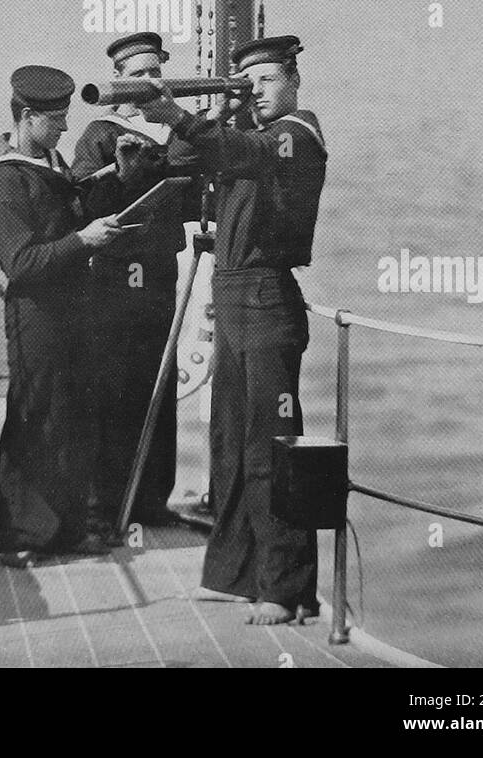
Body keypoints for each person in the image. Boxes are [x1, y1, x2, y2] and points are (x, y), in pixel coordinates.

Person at [135, 35, 327, 625]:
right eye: (250, 81)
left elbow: (247, 155)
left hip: (268, 296)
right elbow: (182, 163)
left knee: (272, 446)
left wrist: (178, 114)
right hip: (233, 295)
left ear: (292, 81)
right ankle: (234, 573)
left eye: (266, 80)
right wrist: (210, 114)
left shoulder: (297, 133)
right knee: (230, 445)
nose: (258, 91)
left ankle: (285, 587)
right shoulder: (247, 134)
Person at [0, 65, 122, 567]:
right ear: (28, 117)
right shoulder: (4, 182)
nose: (64, 128)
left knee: (75, 417)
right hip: (36, 316)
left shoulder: (52, 166)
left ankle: (66, 528)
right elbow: (21, 262)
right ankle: (19, 534)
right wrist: (84, 240)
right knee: (34, 418)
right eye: (56, 119)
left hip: (75, 310)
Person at [72, 31, 196, 534]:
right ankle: (104, 505)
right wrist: (120, 178)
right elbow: (82, 210)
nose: (149, 82)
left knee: (157, 384)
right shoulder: (99, 136)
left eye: (155, 73)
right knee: (113, 388)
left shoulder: (169, 131)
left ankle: (150, 500)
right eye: (139, 75)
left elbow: (189, 202)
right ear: (119, 81)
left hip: (159, 276)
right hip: (117, 279)